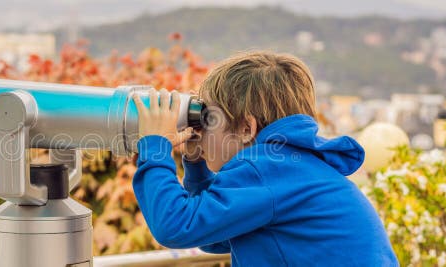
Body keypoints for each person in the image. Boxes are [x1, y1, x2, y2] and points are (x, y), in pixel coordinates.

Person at [131, 51, 398, 266]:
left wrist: (155, 146)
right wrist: (196, 163)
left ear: (247, 128)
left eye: (207, 118)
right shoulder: (293, 165)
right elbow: (214, 235)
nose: (200, 130)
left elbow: (176, 227)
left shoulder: (269, 167)